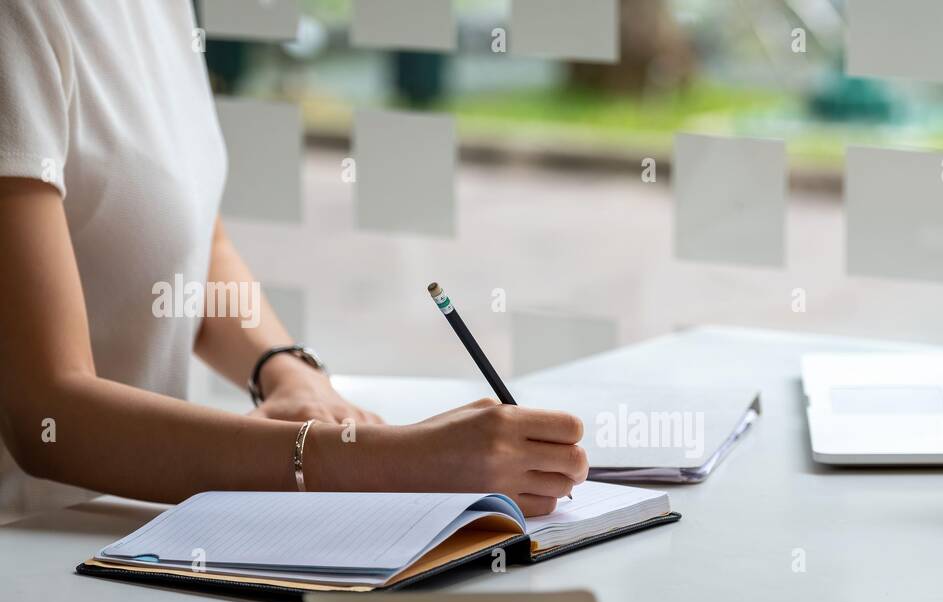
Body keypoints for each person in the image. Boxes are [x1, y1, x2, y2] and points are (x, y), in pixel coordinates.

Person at [0, 1, 586, 521]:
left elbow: (195, 244)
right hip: (29, 553)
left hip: (123, 533)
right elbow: (46, 414)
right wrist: (393, 464)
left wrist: (284, 370)